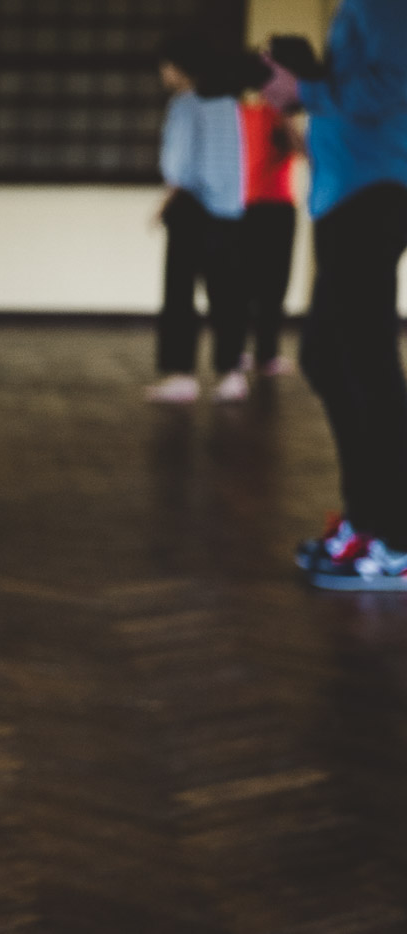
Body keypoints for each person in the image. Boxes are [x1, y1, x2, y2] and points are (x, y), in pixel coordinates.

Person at [261, 1, 407, 590]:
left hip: (374, 192)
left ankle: (395, 540)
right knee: (327, 356)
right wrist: (300, 90)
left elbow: (395, 83)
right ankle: (367, 520)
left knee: (364, 363)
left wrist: (308, 88)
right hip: (346, 193)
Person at [147, 35, 250, 405]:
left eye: (165, 67)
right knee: (226, 294)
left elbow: (179, 166)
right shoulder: (228, 104)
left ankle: (181, 375)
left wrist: (163, 204)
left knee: (180, 292)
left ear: (177, 68)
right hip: (229, 211)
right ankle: (232, 373)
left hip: (192, 208)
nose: (163, 74)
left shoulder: (185, 105)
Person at [239, 89, 299, 377]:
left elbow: (301, 150)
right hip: (246, 205)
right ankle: (236, 351)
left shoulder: (281, 116)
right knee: (243, 283)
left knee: (274, 284)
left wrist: (286, 119)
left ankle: (266, 354)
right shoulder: (236, 114)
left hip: (278, 204)